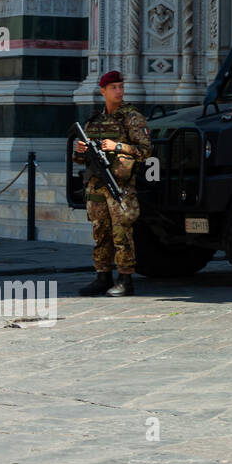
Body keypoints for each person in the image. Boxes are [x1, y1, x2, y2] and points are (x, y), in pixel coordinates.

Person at [71, 71, 152, 297]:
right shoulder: (94, 120)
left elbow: (145, 151)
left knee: (121, 232)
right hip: (96, 185)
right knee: (100, 232)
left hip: (120, 185)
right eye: (113, 87)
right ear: (103, 91)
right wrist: (80, 151)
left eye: (120, 86)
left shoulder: (132, 117)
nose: (119, 91)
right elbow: (81, 158)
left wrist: (117, 147)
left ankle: (125, 279)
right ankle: (102, 276)